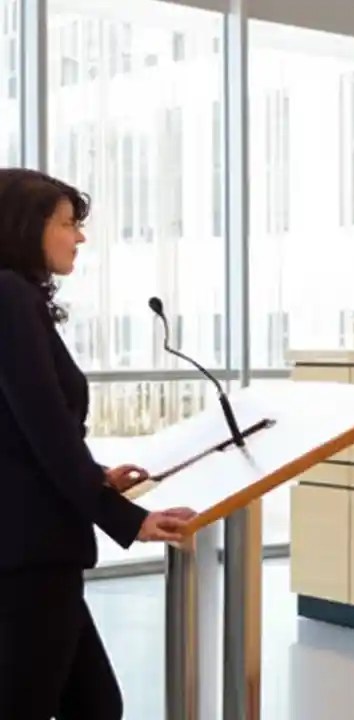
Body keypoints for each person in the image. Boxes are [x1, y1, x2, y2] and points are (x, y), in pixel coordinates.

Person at [0, 168, 196, 719]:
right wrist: (126, 518)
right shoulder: (10, 296)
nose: (79, 237)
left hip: (29, 549)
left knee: (96, 704)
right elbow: (44, 428)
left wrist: (97, 476)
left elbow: (19, 432)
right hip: (28, 555)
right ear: (24, 226)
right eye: (67, 224)